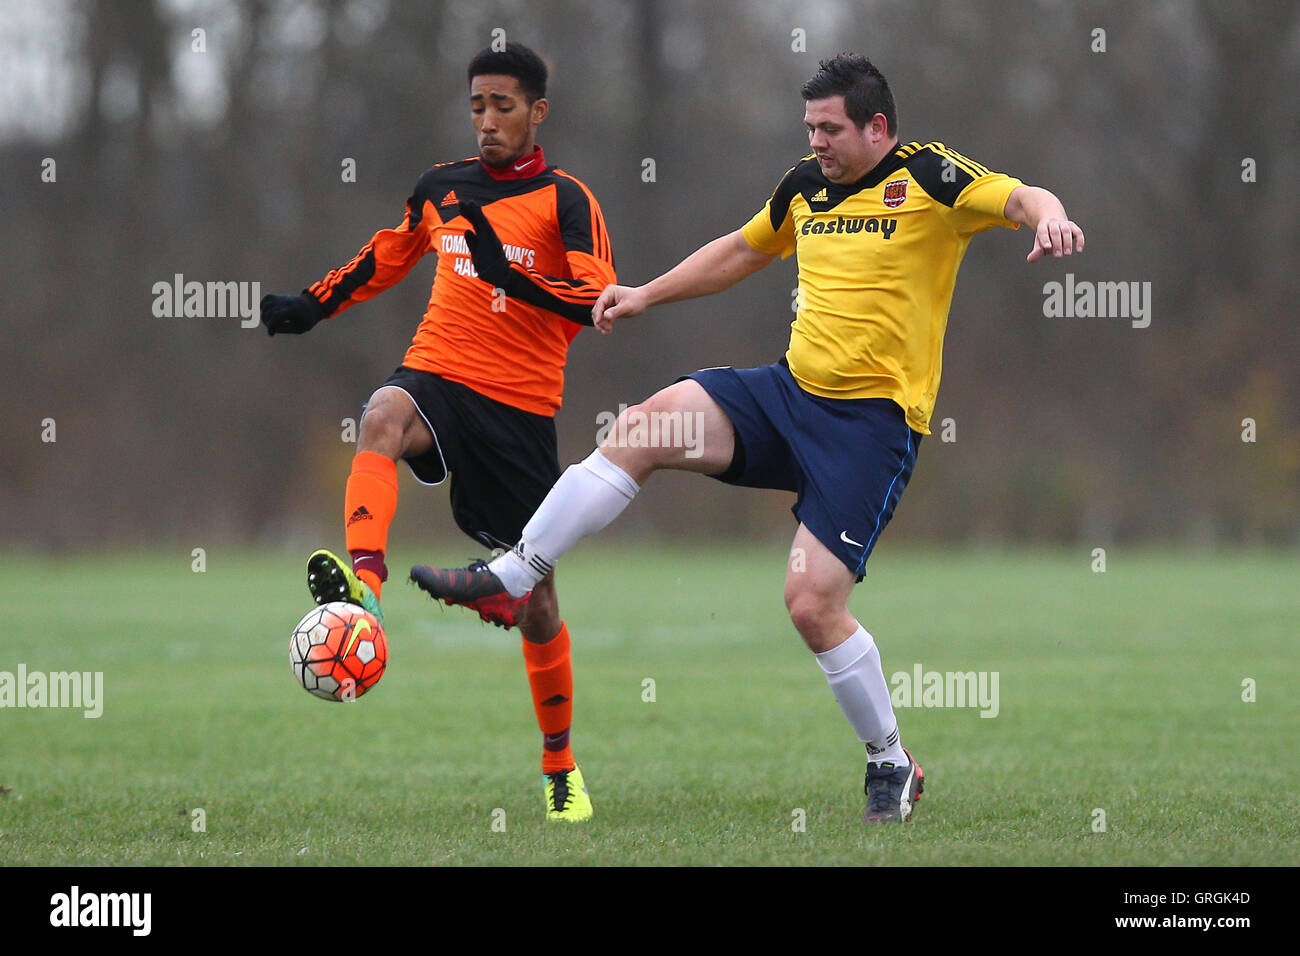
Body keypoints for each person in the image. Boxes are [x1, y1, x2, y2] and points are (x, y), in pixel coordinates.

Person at [411, 52, 1084, 823]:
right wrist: (644, 296)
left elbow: (1023, 195)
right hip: (787, 396)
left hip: (869, 429)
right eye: (810, 127)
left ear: (879, 127)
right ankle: (519, 570)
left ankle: (890, 763)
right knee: (645, 425)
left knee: (810, 605)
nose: (817, 142)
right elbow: (740, 250)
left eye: (831, 128)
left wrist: (1050, 216)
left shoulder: (930, 179)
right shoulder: (805, 186)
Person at [261, 42, 616, 823]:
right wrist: (313, 305)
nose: (488, 121)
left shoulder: (567, 200)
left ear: (537, 112)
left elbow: (596, 304)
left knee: (538, 603)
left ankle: (560, 767)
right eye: (477, 107)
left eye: (504, 107)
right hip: (439, 374)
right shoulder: (442, 190)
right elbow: (387, 256)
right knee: (380, 418)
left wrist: (509, 274)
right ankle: (366, 589)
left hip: (520, 411)